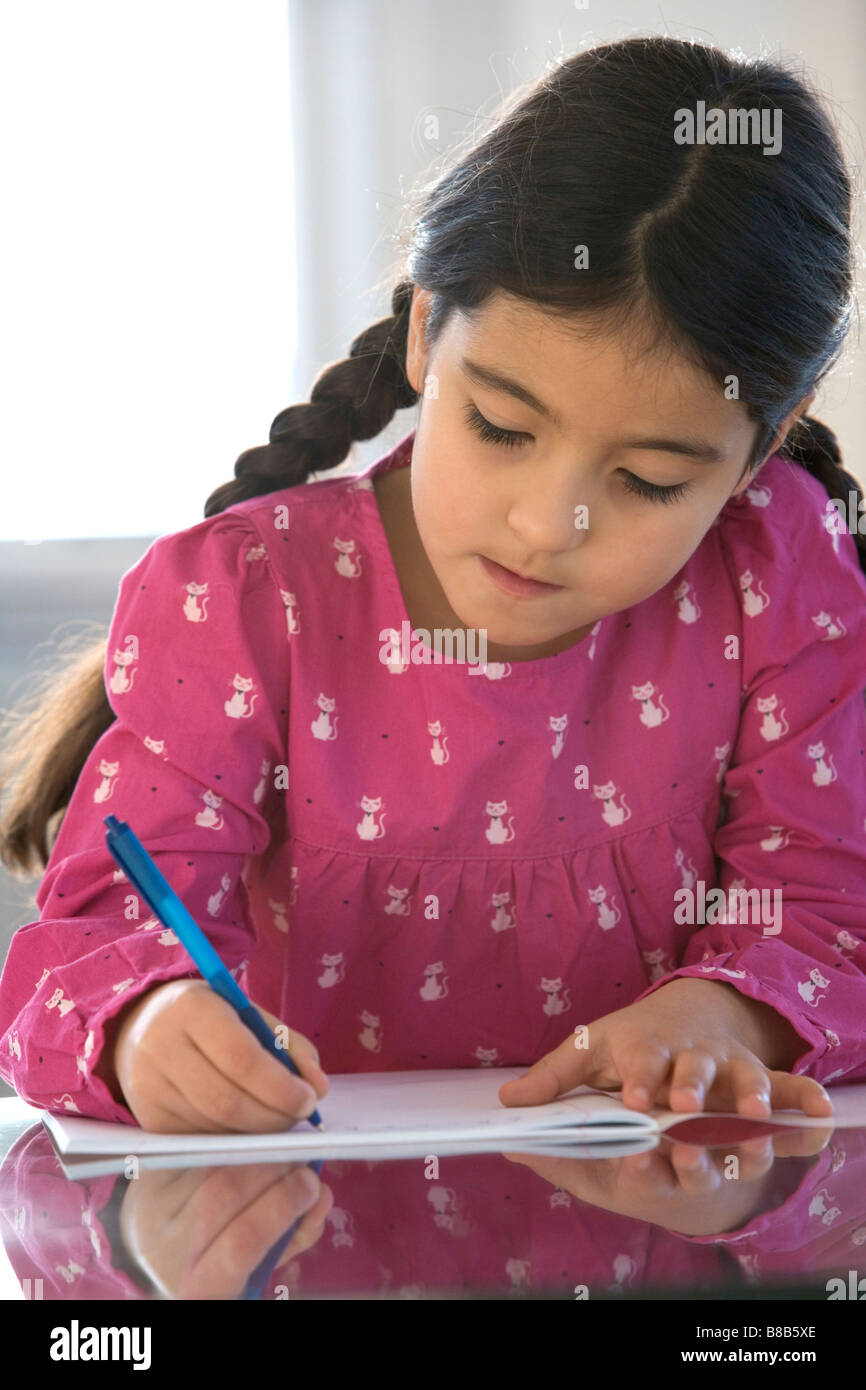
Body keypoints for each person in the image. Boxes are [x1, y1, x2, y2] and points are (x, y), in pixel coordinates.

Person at [1, 36, 865, 1142]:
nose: (547, 525)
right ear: (423, 333)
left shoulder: (777, 579)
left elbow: (828, 917)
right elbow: (86, 948)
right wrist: (145, 1022)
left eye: (648, 481)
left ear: (759, 450)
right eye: (500, 426)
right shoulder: (248, 602)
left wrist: (731, 1016)